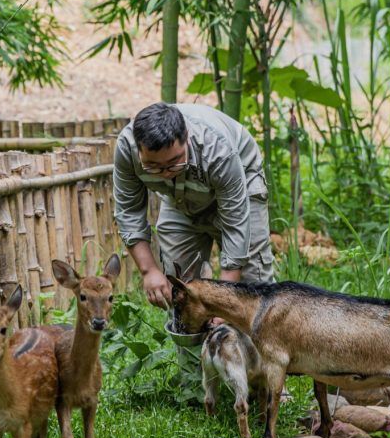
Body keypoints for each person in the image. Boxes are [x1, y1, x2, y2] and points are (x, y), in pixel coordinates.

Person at [112, 102, 273, 308]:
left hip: (241, 183)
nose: (166, 172)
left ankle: (253, 338)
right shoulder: (127, 148)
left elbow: (235, 224)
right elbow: (128, 211)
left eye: (174, 162)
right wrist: (149, 271)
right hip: (178, 196)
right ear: (139, 149)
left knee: (252, 286)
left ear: (186, 137)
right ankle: (194, 338)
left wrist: (224, 301)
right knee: (181, 286)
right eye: (153, 166)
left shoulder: (218, 149)